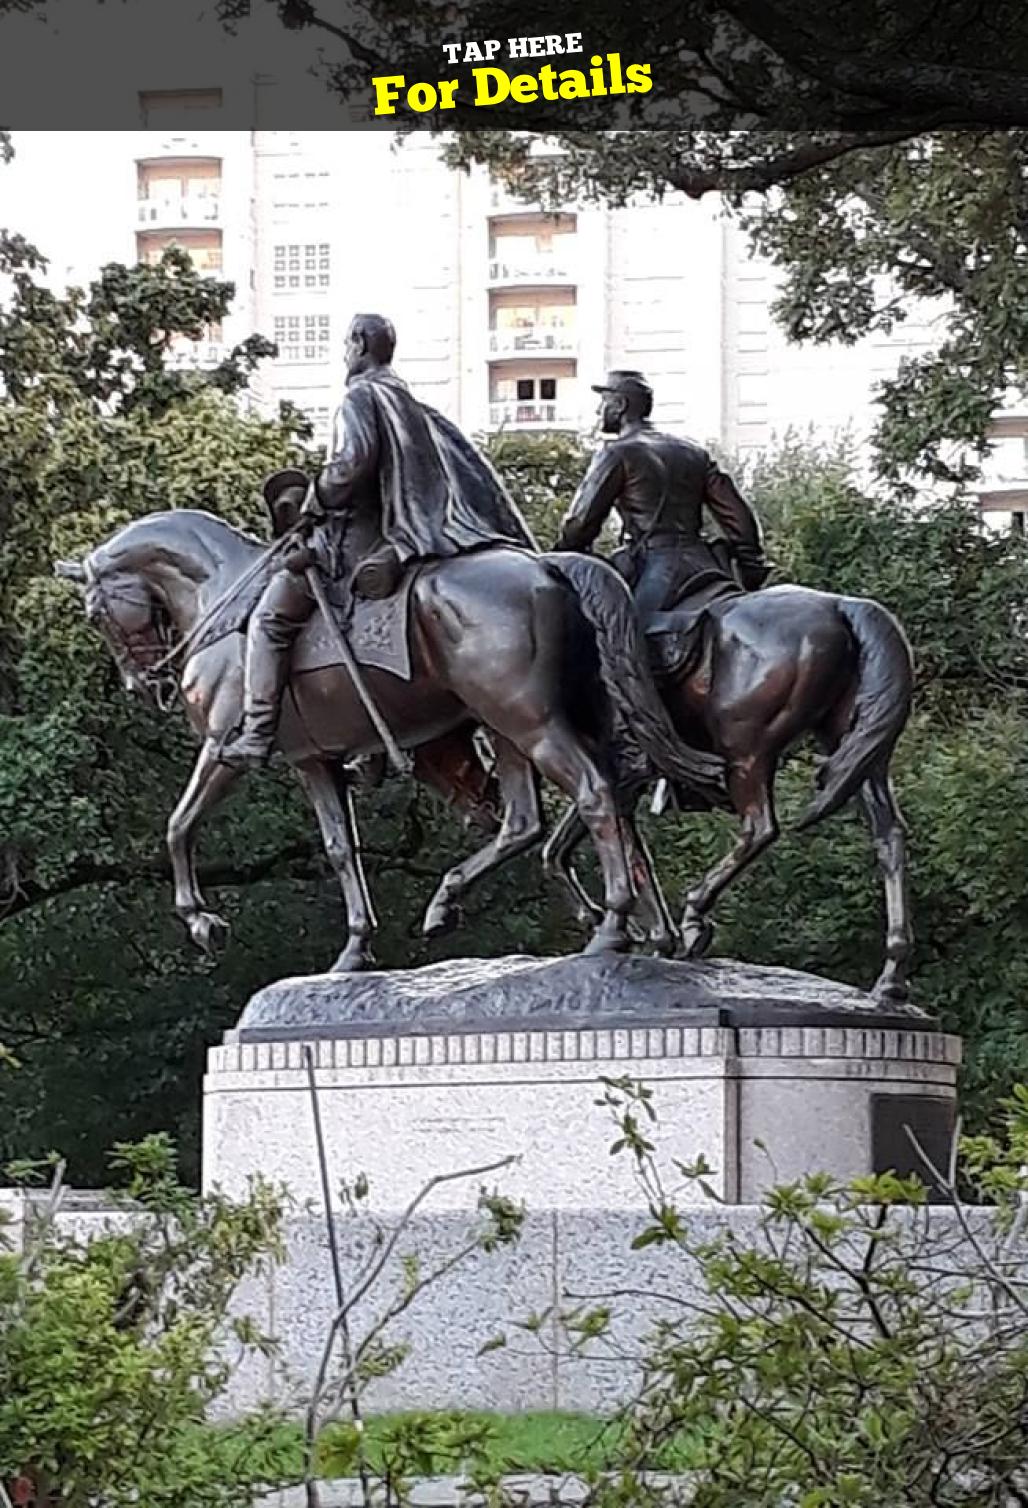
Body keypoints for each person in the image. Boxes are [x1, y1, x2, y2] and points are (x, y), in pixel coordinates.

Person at [219, 313, 537, 771]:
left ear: (359, 345)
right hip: (401, 533)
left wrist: (316, 492)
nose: (345, 353)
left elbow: (351, 465)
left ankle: (256, 732)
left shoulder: (361, 395)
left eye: (348, 344)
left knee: (269, 619)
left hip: (354, 544)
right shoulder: (405, 398)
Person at [555, 370, 770, 622]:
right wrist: (750, 565)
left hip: (656, 571)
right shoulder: (695, 453)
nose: (598, 411)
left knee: (625, 639)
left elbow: (580, 524)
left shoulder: (617, 453)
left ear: (621, 405)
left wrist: (560, 558)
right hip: (706, 566)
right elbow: (738, 517)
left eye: (604, 401)